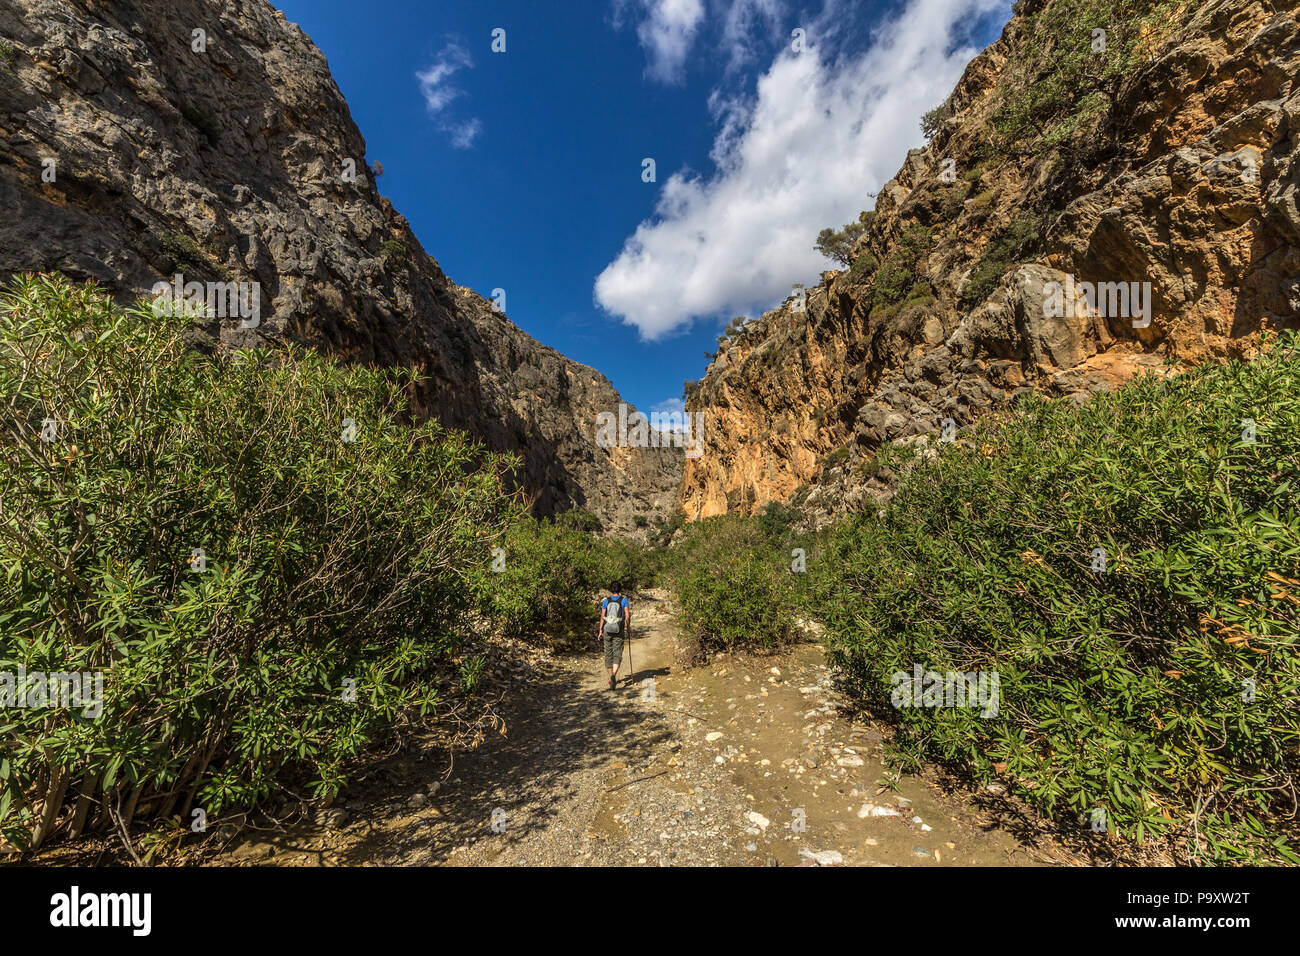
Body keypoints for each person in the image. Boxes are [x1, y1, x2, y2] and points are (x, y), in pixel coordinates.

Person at [597, 582, 631, 690]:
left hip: (607, 629)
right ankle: (613, 675)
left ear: (611, 590)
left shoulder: (606, 601)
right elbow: (627, 616)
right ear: (620, 589)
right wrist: (628, 628)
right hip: (618, 630)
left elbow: (602, 616)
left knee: (608, 653)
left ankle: (611, 674)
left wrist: (600, 631)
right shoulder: (623, 600)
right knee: (617, 652)